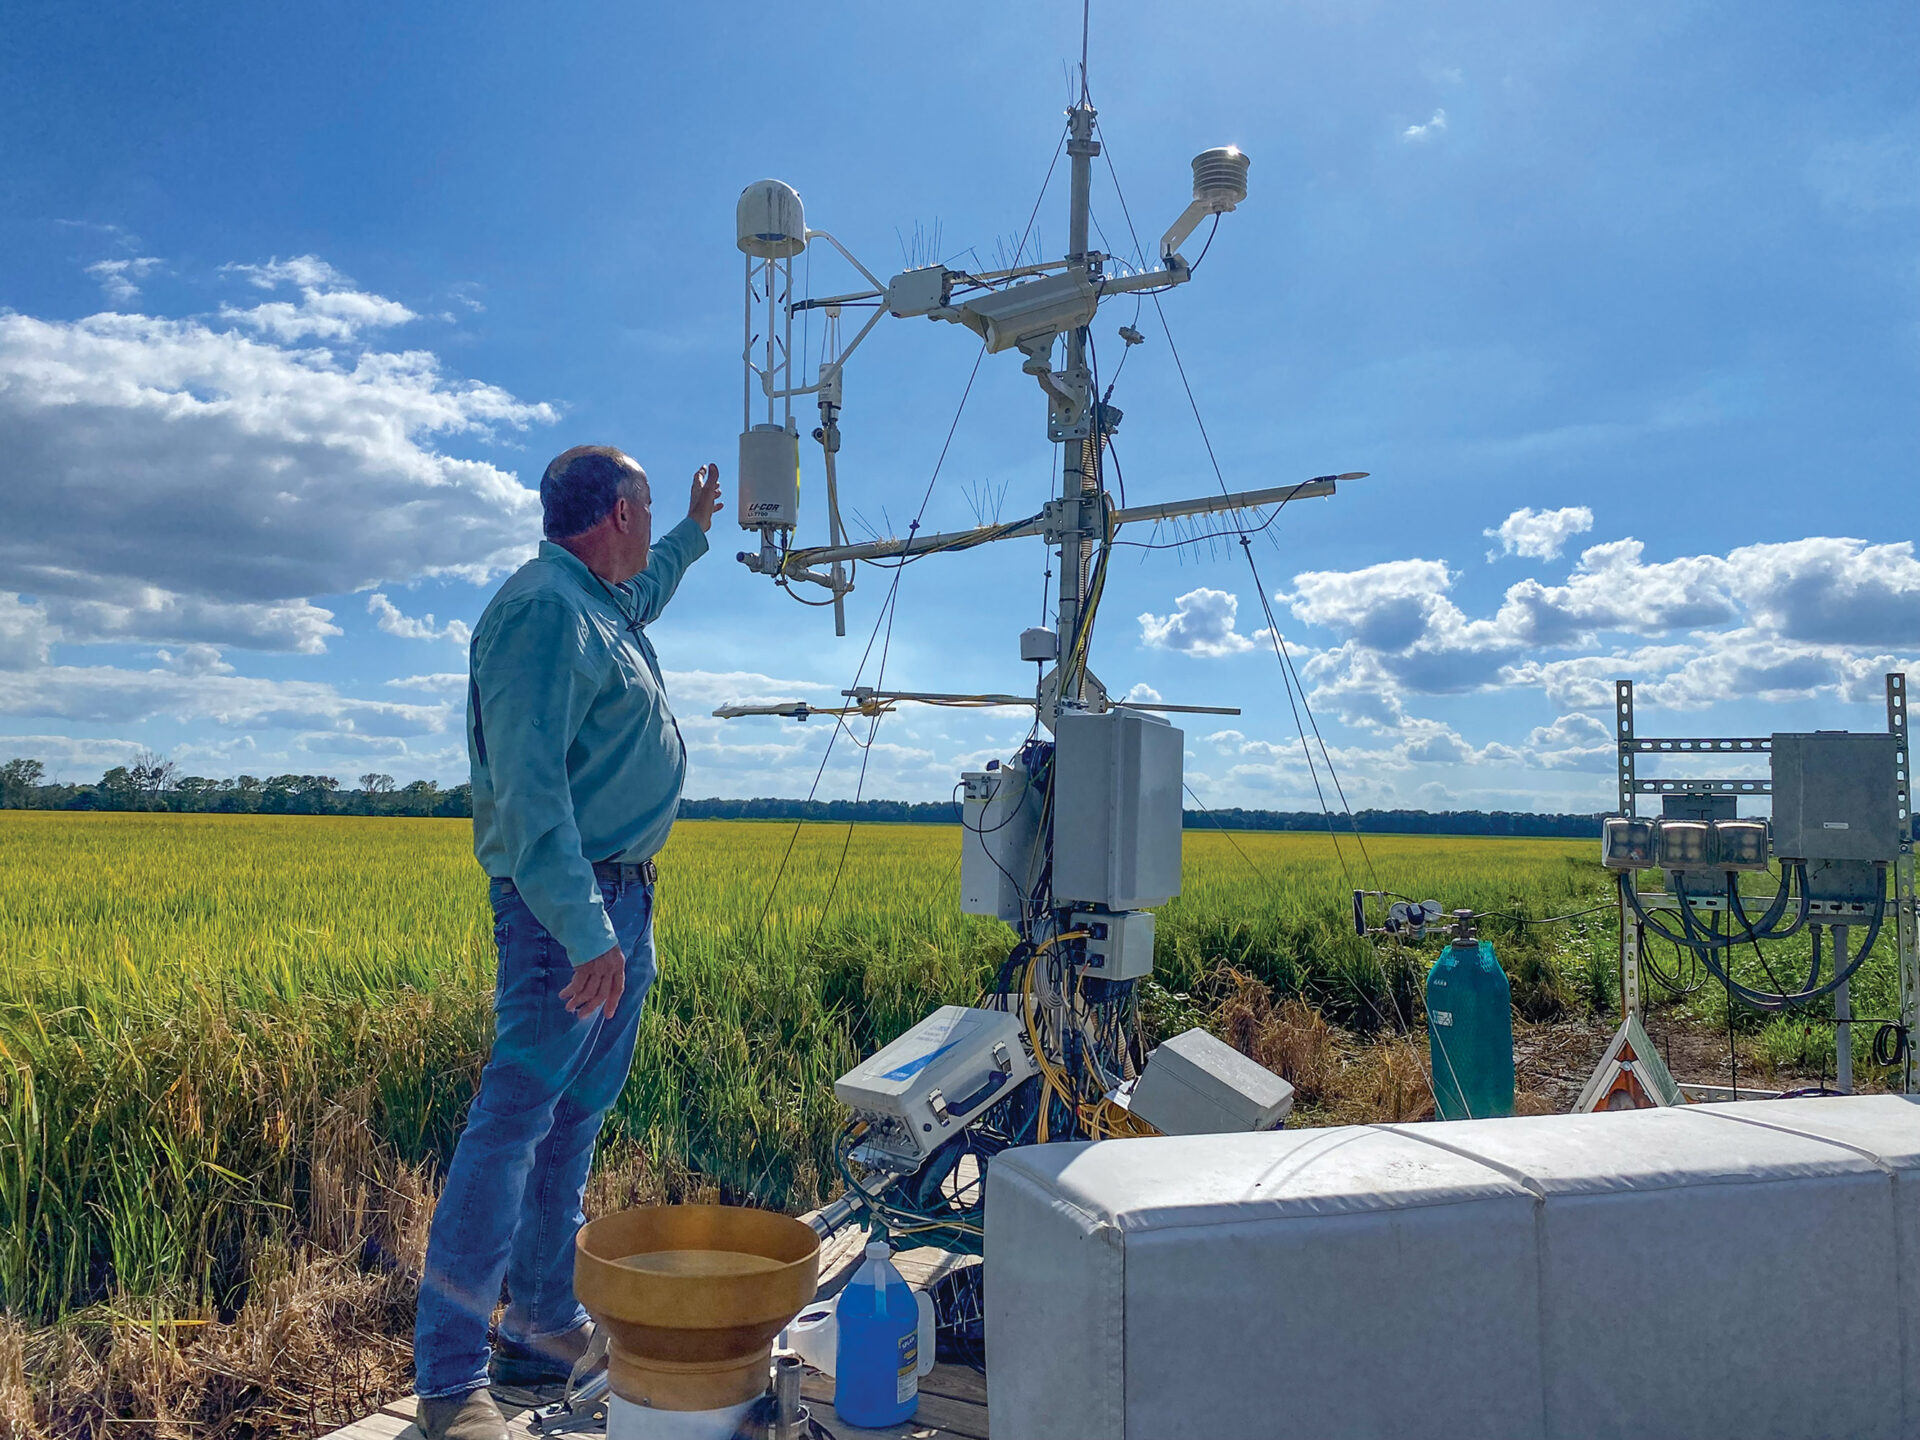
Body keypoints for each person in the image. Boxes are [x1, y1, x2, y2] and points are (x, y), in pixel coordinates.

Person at [414, 445, 724, 1440]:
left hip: (616, 901)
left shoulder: (599, 601)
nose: (651, 531)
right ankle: (451, 1387)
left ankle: (541, 1330)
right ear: (618, 512)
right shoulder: (546, 612)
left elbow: (653, 589)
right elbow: (530, 791)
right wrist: (588, 932)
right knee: (510, 1132)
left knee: (569, 1126)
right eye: (650, 513)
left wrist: (696, 532)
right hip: (570, 912)